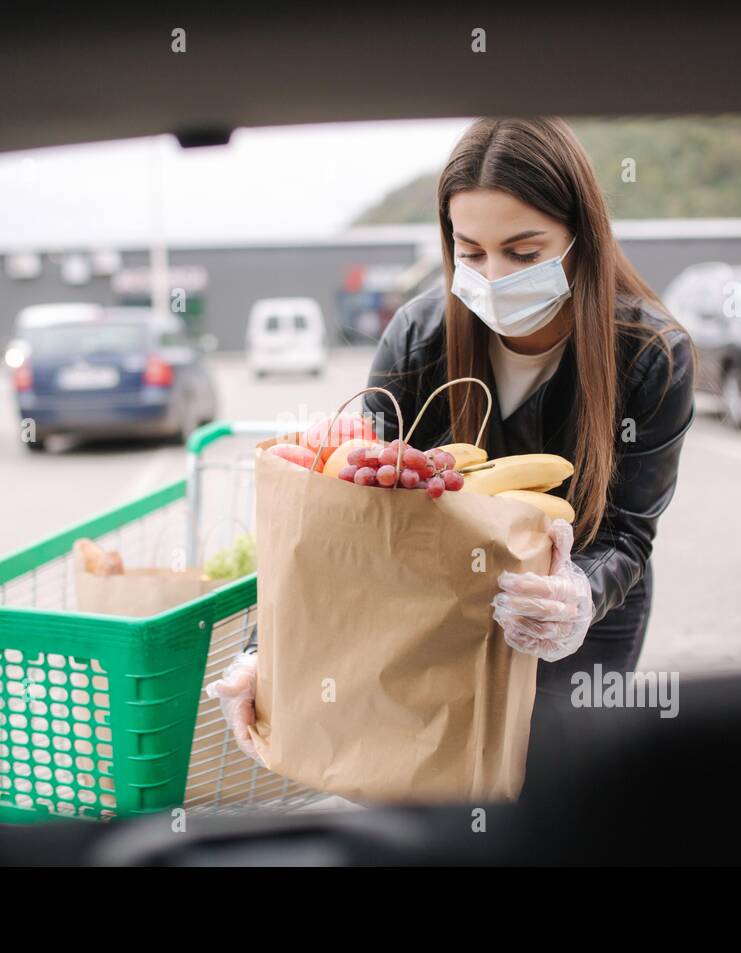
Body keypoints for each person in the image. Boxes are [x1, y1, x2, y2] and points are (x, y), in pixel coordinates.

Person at [208, 116, 695, 774]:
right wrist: (267, 649)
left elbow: (630, 533)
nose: (494, 275)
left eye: (524, 253)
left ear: (582, 238)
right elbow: (345, 509)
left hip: (582, 621)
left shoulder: (652, 354)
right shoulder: (417, 339)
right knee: (438, 791)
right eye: (471, 252)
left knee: (558, 797)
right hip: (436, 597)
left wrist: (576, 596)